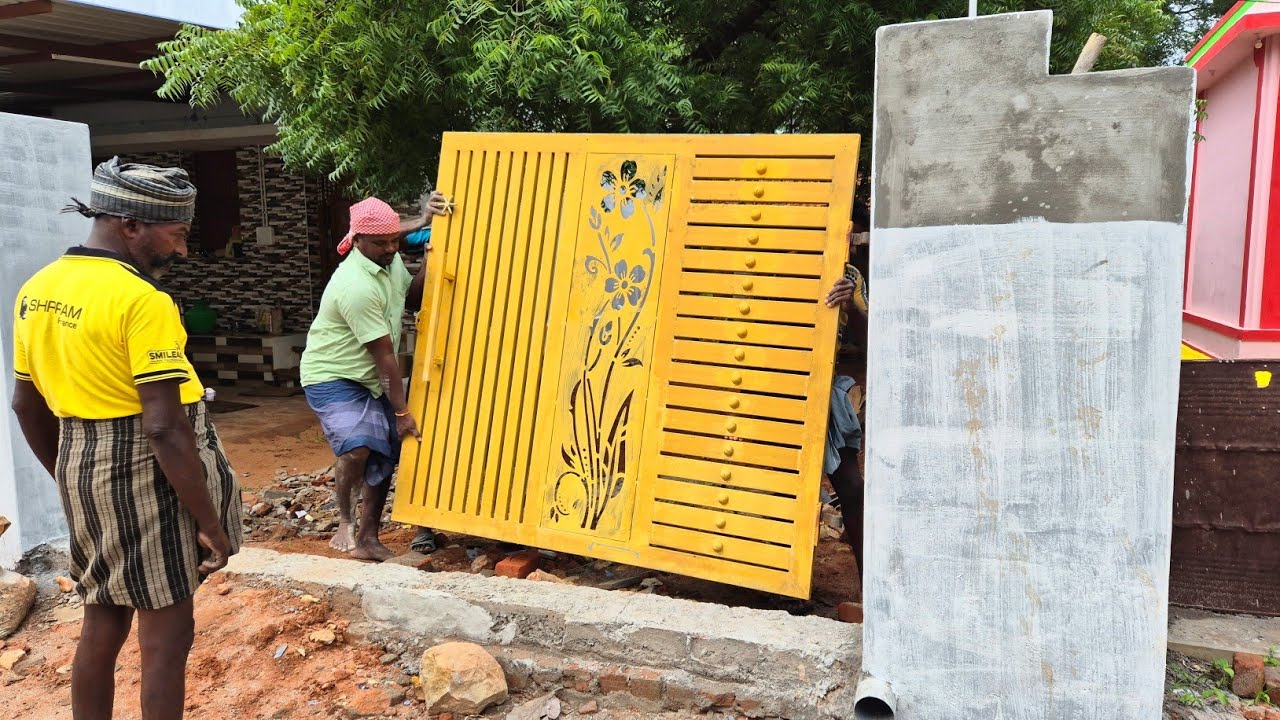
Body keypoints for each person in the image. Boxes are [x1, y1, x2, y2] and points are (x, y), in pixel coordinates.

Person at [10, 157, 242, 720]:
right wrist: (210, 525)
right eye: (177, 233)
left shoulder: (37, 290)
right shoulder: (142, 301)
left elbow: (25, 402)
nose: (182, 252)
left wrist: (72, 475)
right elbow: (163, 428)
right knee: (168, 633)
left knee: (103, 618)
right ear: (130, 224)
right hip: (149, 472)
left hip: (81, 461)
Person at [300, 193, 448, 561]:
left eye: (393, 241)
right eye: (381, 243)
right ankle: (346, 526)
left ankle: (368, 540)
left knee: (386, 451)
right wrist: (401, 412)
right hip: (331, 374)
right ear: (357, 241)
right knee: (359, 447)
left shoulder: (390, 261)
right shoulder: (356, 285)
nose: (389, 248)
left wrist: (430, 264)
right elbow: (384, 356)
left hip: (366, 376)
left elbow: (412, 300)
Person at [823, 203, 871, 593]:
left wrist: (851, 301)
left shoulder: (851, 277)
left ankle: (868, 587)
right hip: (778, 389)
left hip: (824, 392)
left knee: (851, 487)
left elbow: (866, 341)